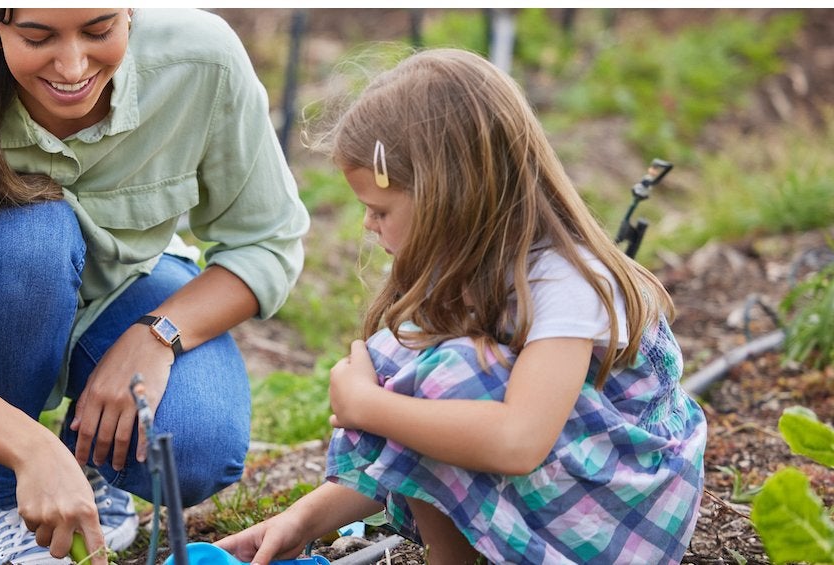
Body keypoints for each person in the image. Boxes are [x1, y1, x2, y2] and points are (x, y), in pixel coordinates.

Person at [0, 8, 309, 563]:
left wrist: (156, 336)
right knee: (32, 239)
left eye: (100, 31)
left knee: (193, 450)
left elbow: (265, 242)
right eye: (38, 37)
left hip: (135, 283)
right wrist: (29, 450)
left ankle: (87, 476)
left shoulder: (201, 58)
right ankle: (4, 503)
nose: (74, 64)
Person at [214, 48, 708, 564]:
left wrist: (367, 407)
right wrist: (302, 521)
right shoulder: (466, 274)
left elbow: (518, 441)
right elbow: (425, 444)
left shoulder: (563, 281)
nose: (367, 225)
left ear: (446, 197)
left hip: (627, 510)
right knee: (408, 371)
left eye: (379, 209)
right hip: (573, 491)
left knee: (436, 383)